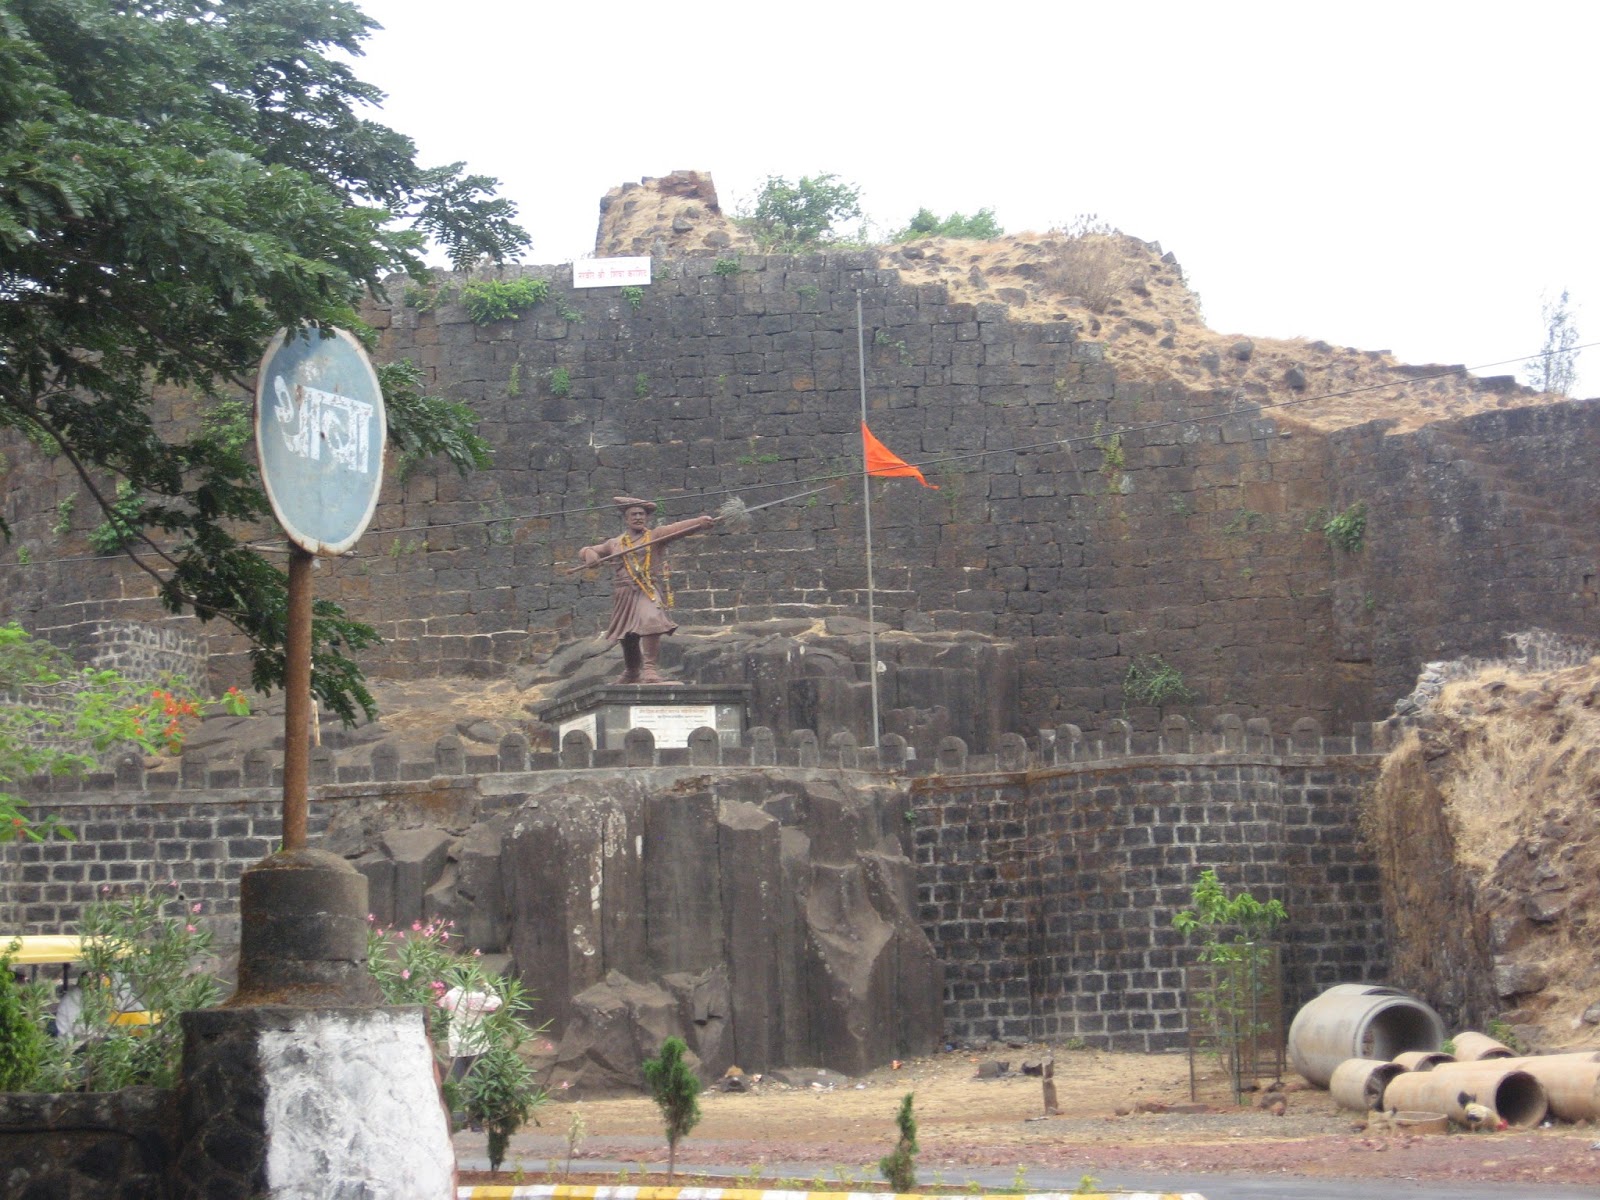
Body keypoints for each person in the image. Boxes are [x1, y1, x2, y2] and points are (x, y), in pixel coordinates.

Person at [578, 496, 714, 684]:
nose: (638, 517)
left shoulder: (655, 536)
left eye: (641, 514)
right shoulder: (615, 543)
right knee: (628, 635)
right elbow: (588, 550)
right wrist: (589, 555)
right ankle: (632, 671)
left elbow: (678, 529)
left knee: (651, 618)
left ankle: (650, 669)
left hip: (647, 588)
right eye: (633, 514)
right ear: (626, 519)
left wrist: (699, 522)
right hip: (624, 592)